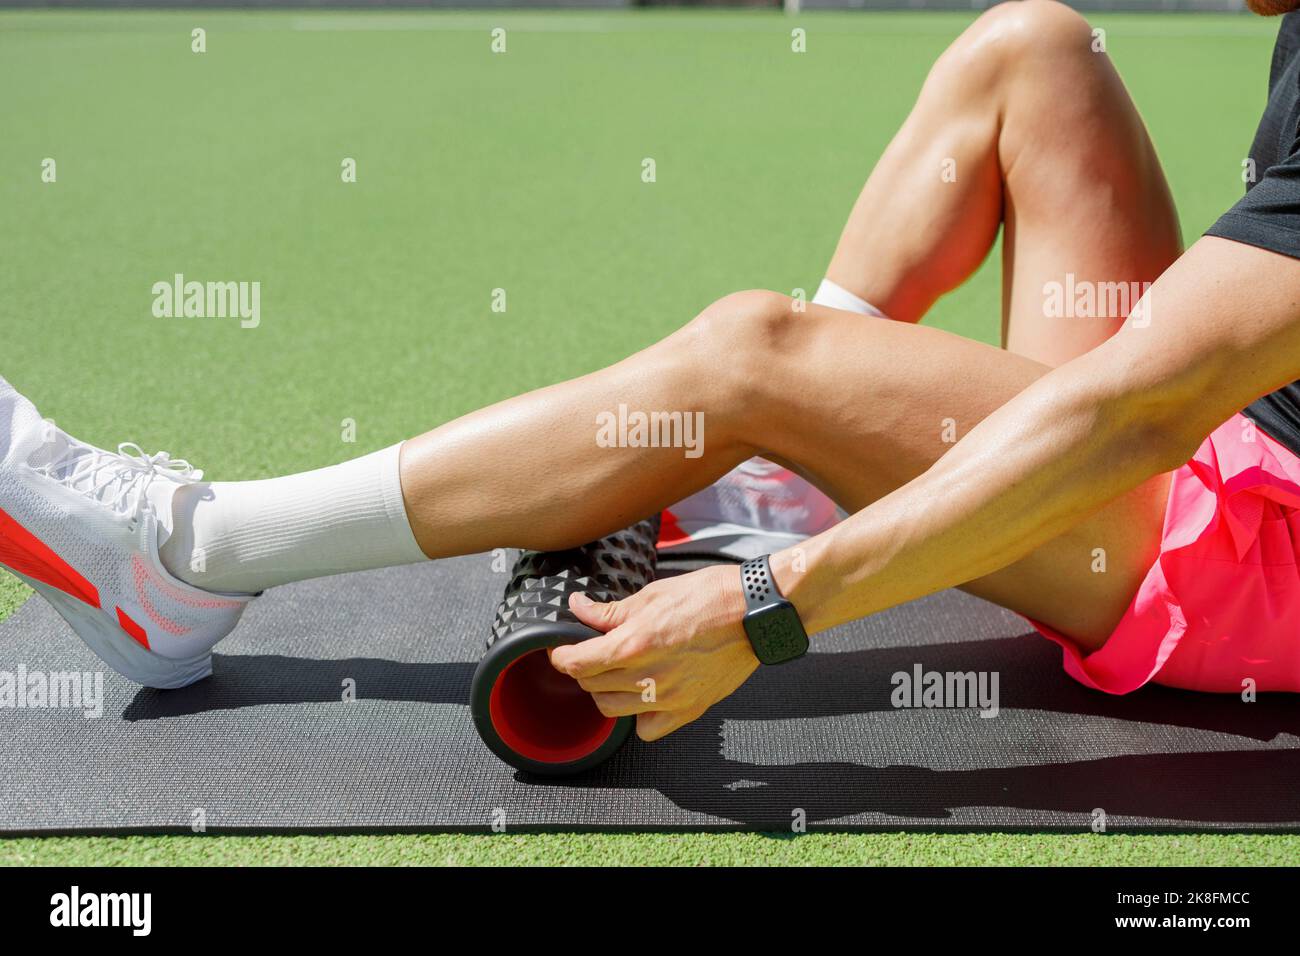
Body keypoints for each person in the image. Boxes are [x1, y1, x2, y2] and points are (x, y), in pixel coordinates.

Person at [5, 0, 1300, 743]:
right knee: (1037, 51)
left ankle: (187, 564)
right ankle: (806, 470)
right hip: (1240, 424)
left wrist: (768, 605)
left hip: (1257, 556)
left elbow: (1140, 411)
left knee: (752, 352)